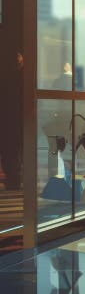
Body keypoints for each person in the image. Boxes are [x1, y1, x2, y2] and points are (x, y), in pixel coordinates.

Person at [0, 52, 23, 190]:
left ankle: (12, 178)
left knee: (8, 149)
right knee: (13, 149)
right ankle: (14, 179)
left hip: (7, 116)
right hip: (14, 116)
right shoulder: (19, 77)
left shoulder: (6, 76)